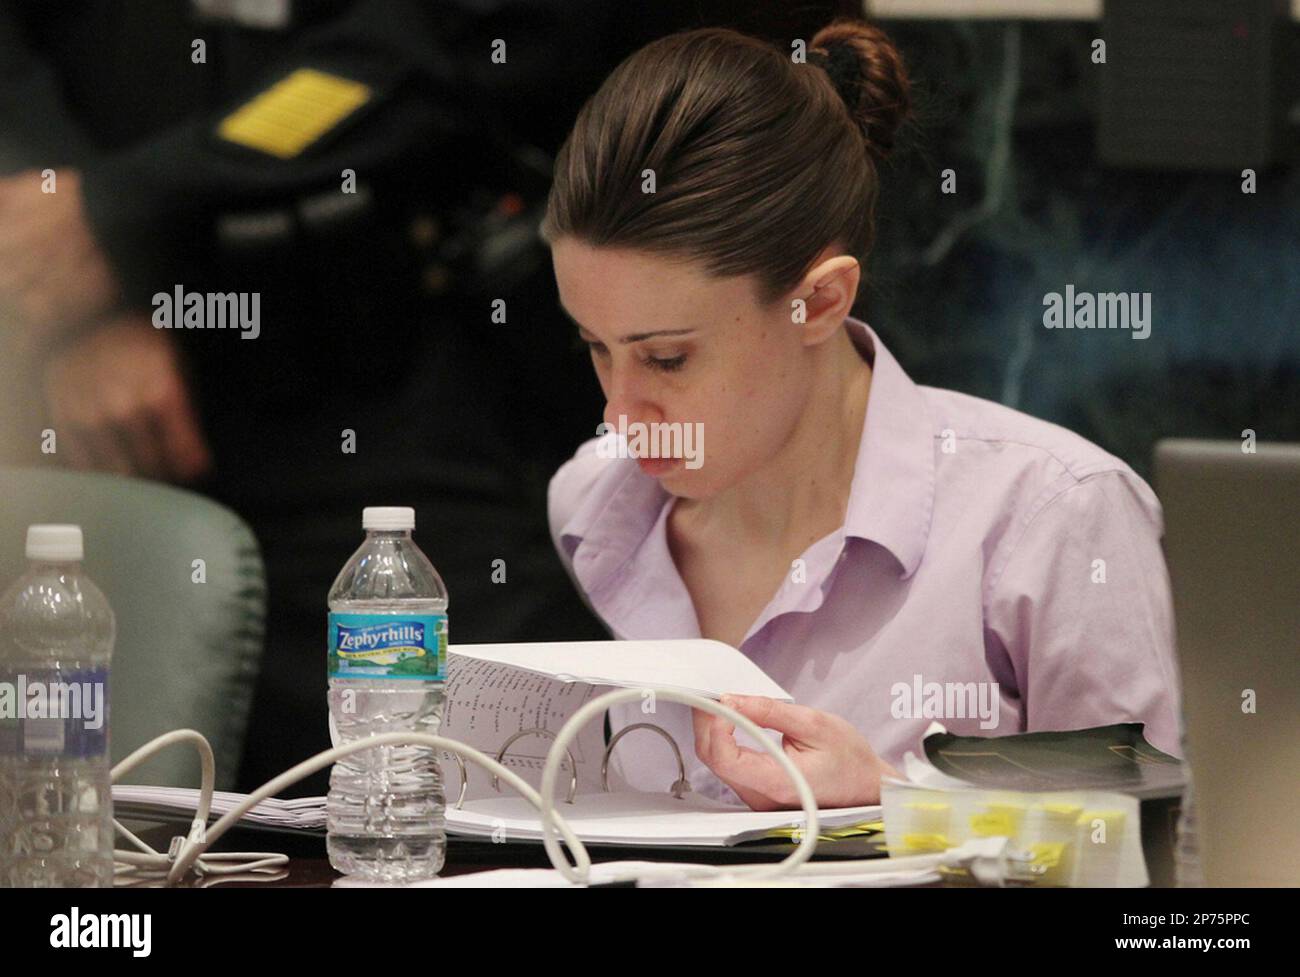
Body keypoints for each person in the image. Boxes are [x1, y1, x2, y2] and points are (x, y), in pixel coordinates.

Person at [541, 19, 1184, 812]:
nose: (622, 409)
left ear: (821, 301)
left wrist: (896, 799)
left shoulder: (1054, 514)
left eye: (668, 357)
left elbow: (1174, 878)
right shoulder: (595, 507)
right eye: (596, 346)